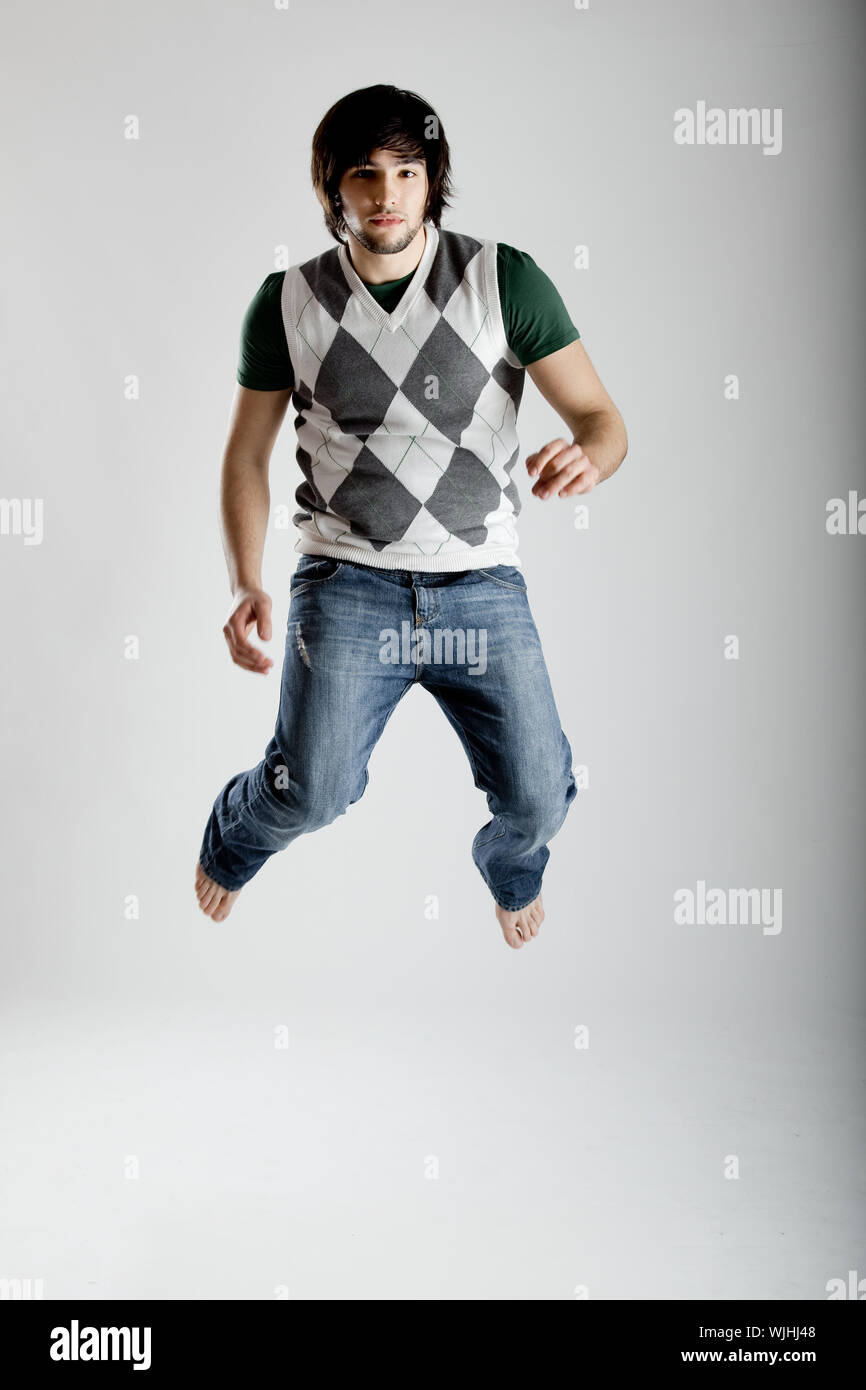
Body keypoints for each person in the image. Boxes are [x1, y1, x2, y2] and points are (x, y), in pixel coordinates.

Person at [195, 84, 627, 950]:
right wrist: (245, 581)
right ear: (333, 188)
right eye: (364, 173)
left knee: (541, 797)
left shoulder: (504, 280)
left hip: (480, 585)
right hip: (346, 583)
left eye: (406, 171)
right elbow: (245, 455)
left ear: (433, 181)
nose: (386, 194)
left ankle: (510, 868)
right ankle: (232, 840)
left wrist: (590, 453)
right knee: (309, 791)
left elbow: (602, 421)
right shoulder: (286, 302)